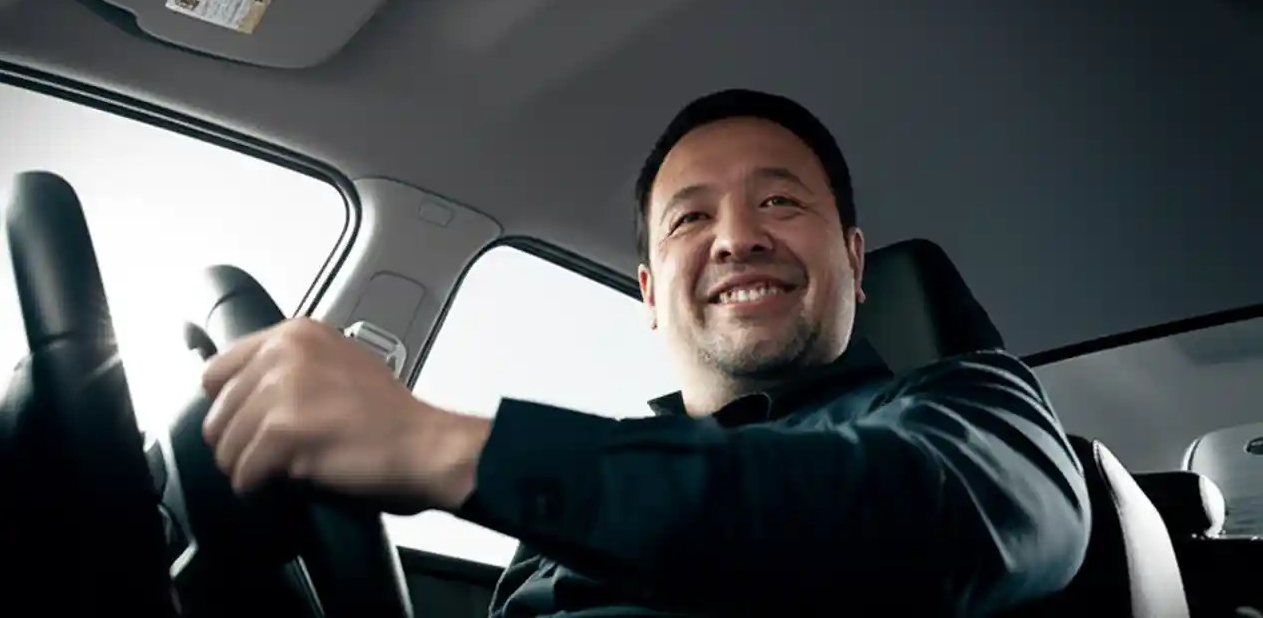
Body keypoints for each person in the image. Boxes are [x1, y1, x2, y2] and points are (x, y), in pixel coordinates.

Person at [201, 89, 1090, 616]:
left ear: (855, 264)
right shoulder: (563, 522)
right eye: (691, 217)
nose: (737, 237)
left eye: (780, 203)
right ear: (650, 295)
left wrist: (437, 446)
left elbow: (937, 528)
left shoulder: (971, 407)